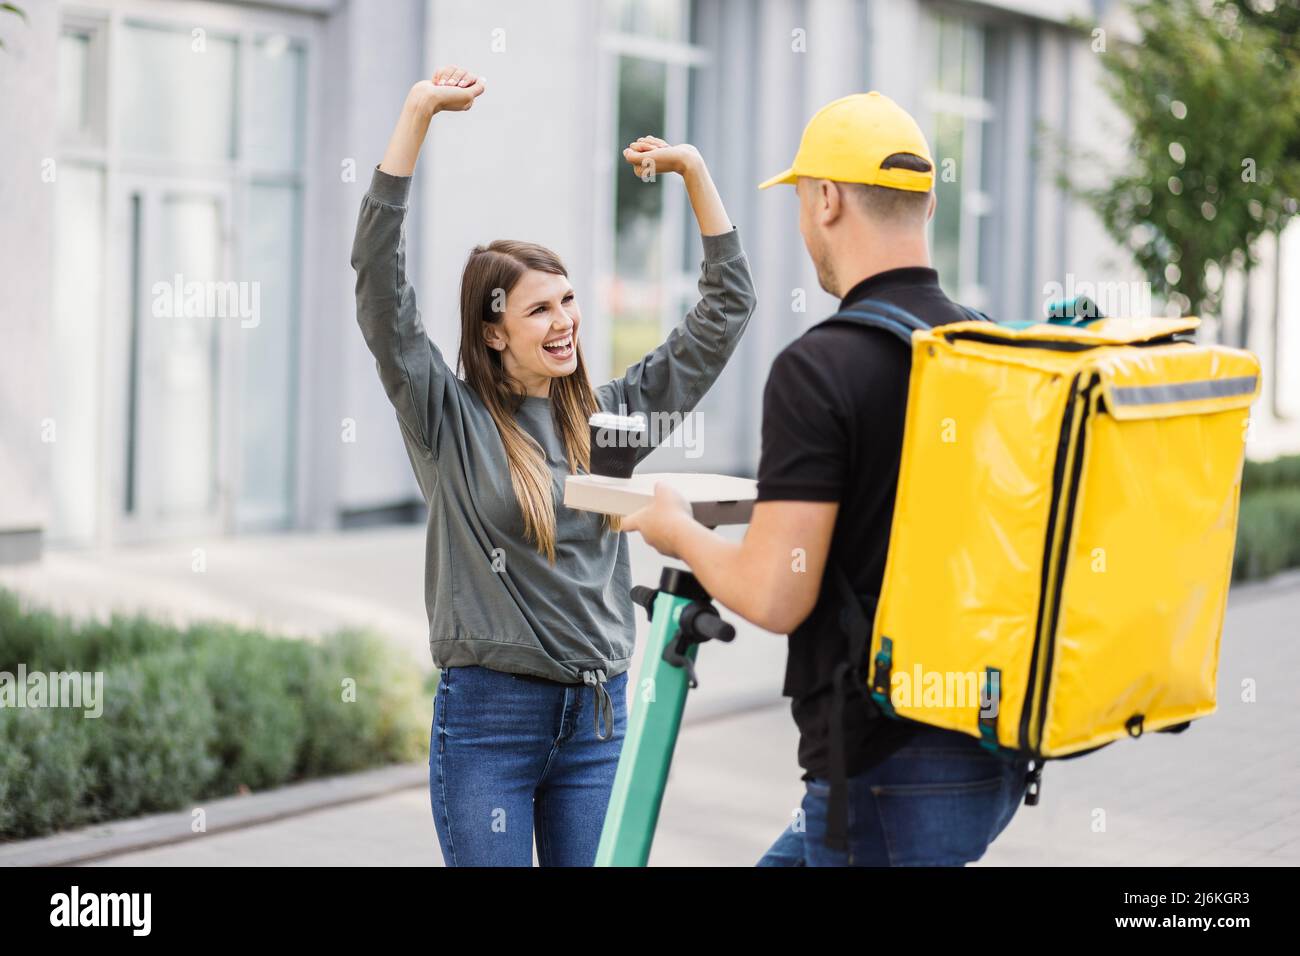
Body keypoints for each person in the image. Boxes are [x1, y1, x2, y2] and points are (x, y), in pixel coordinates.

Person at [351, 65, 755, 866]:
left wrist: (695, 172)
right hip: (490, 725)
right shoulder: (449, 419)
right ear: (495, 330)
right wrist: (416, 118)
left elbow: (725, 308)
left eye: (569, 300)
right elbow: (379, 286)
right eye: (541, 307)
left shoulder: (606, 421)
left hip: (599, 722)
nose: (566, 320)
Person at [621, 92, 1030, 866]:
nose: (806, 225)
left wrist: (676, 530)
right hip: (988, 744)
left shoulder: (820, 366)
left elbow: (778, 593)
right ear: (929, 201)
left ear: (829, 199)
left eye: (804, 202)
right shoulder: (987, 349)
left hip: (882, 768)